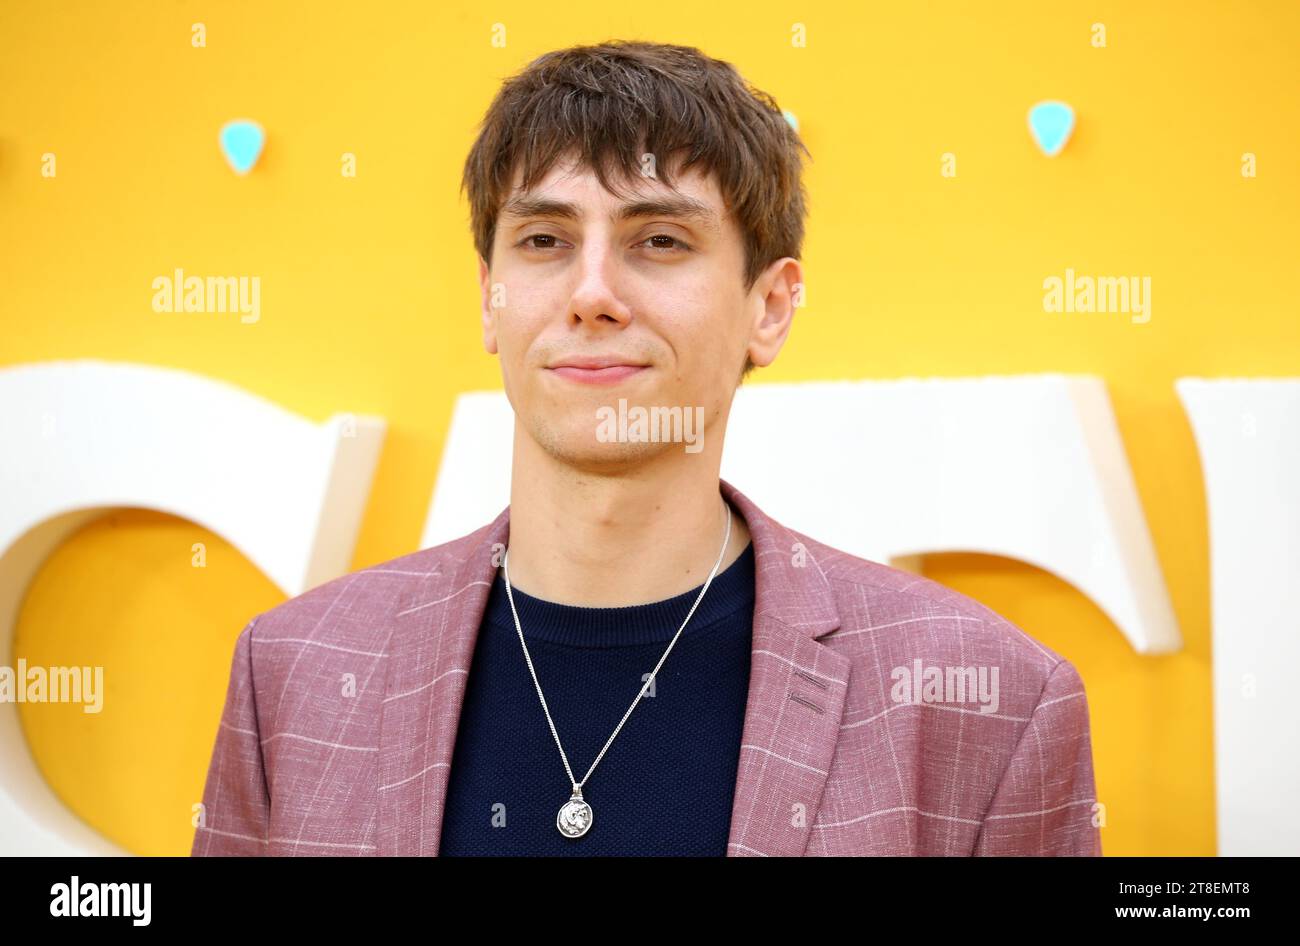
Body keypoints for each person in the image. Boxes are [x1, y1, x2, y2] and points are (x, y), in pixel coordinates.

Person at [192, 39, 1101, 857]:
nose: (592, 293)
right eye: (544, 240)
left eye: (659, 240)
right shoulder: (294, 672)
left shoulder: (987, 705)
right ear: (489, 299)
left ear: (771, 307)